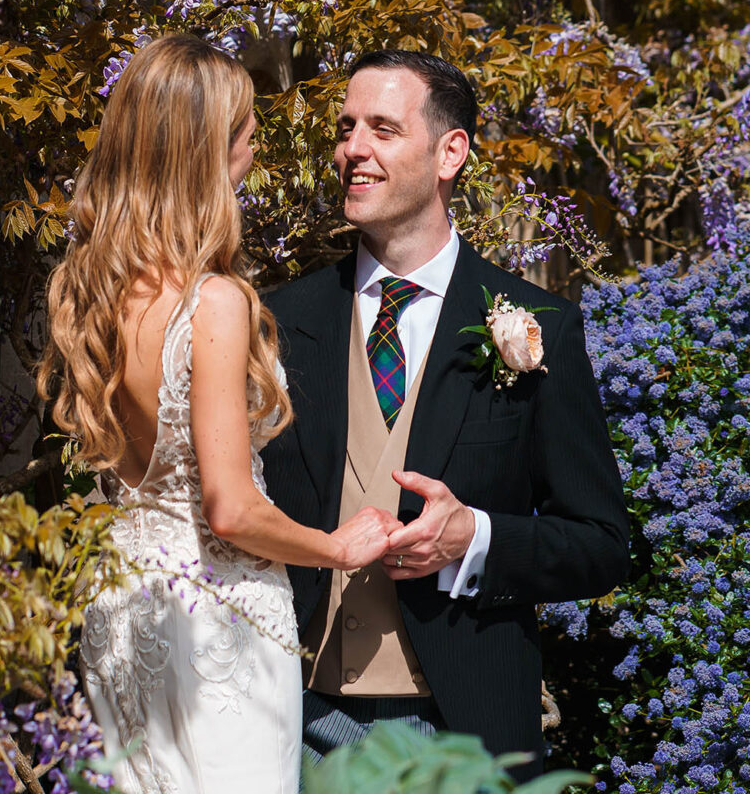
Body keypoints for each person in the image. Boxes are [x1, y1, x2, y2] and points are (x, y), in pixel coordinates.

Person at [37, 34, 401, 793]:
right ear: (207, 154)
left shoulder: (92, 288)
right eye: (245, 137)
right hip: (218, 623)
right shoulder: (216, 302)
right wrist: (335, 548)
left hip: (121, 609)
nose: (253, 154)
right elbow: (231, 509)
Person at [259, 50, 629, 779]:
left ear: (449, 152)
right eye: (345, 128)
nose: (353, 150)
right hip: (293, 717)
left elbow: (601, 542)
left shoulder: (539, 327)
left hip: (463, 726)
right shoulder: (277, 320)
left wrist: (476, 538)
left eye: (383, 129)